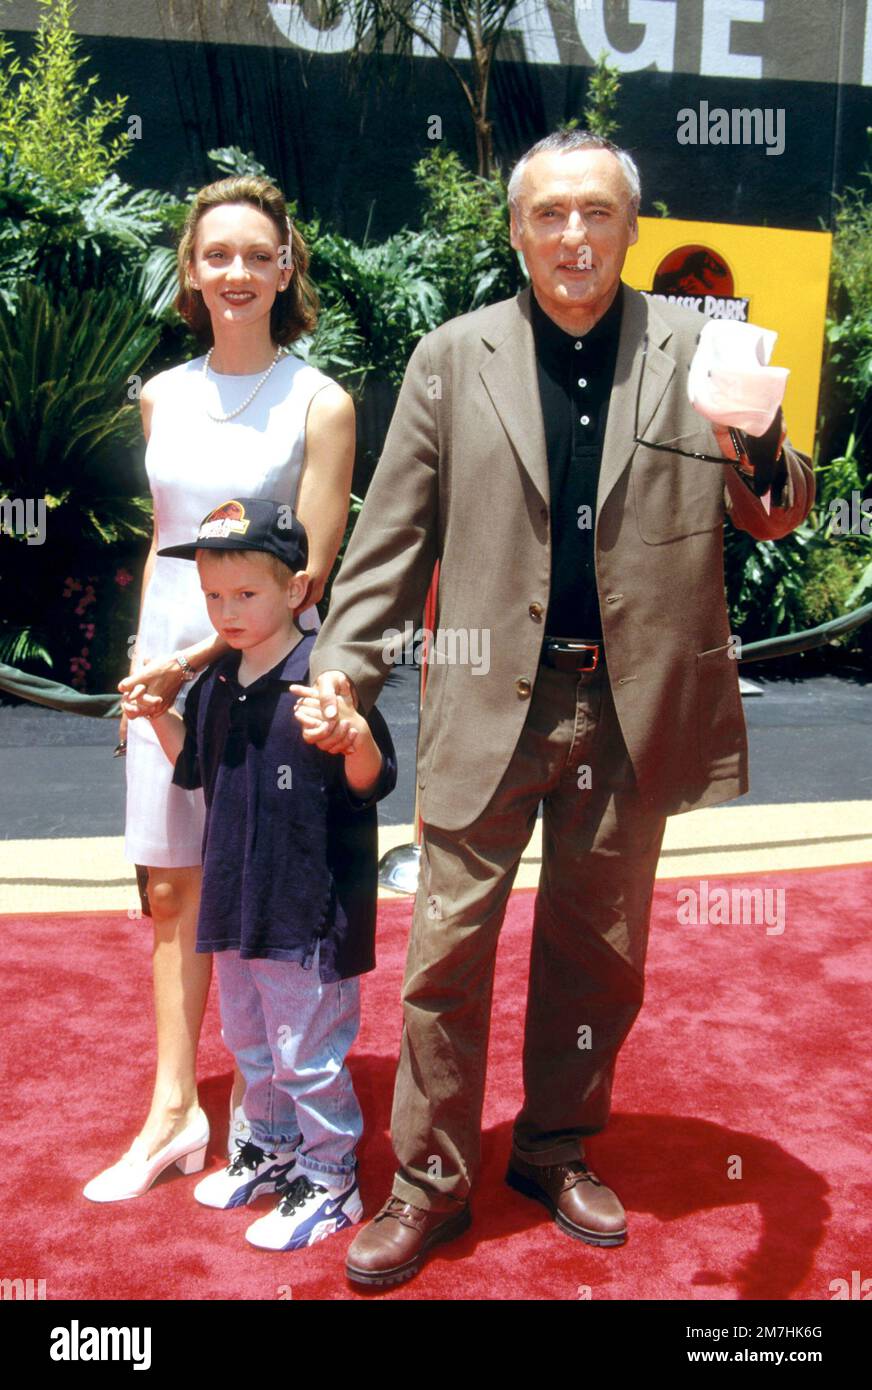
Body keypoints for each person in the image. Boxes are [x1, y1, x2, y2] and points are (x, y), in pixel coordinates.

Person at [304, 130, 816, 1286]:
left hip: (629, 705)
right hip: (485, 699)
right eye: (548, 215)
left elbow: (777, 511)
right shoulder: (451, 357)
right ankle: (428, 1181)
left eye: (595, 213)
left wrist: (757, 445)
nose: (572, 236)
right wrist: (346, 664)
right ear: (516, 228)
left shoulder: (701, 346)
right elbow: (390, 539)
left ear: (631, 227)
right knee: (443, 952)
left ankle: (551, 1145)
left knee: (597, 955)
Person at [83, 175, 355, 1202]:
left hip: (251, 671)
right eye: (215, 256)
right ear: (190, 273)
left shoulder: (319, 402)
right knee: (168, 885)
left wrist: (189, 664)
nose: (235, 272)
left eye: (255, 254)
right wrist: (143, 669)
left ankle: (272, 1116)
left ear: (285, 268)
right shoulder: (159, 392)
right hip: (165, 650)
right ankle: (172, 1110)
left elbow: (312, 572)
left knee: (252, 877)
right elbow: (165, 542)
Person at [108, 497, 395, 1247]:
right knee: (250, 1043)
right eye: (211, 597)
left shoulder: (325, 680)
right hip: (237, 904)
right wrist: (157, 717)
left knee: (310, 1056)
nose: (225, 612)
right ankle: (269, 1149)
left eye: (245, 594)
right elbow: (198, 770)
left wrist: (351, 734)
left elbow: (372, 779)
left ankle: (333, 1177)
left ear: (297, 590)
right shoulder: (215, 684)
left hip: (308, 914)